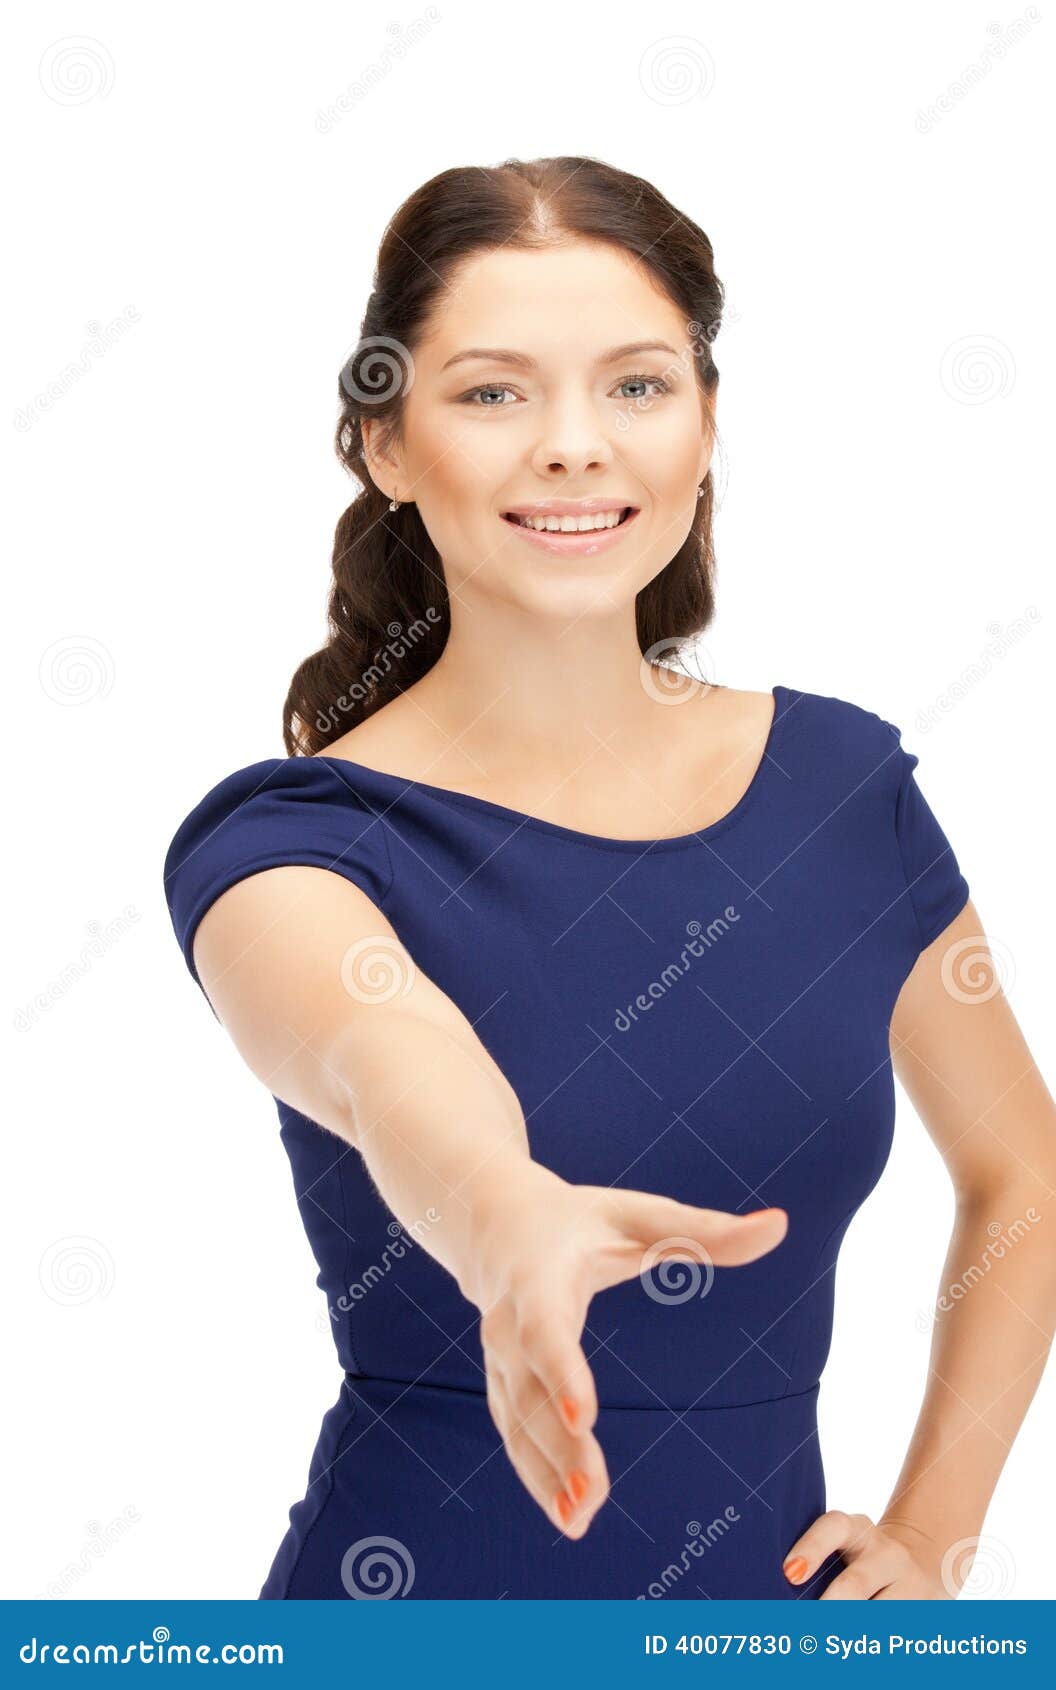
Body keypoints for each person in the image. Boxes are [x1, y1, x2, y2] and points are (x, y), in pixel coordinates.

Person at [163, 156, 1056, 1600]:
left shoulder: (845, 792)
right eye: (494, 391)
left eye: (637, 385)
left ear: (707, 422)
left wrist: (935, 1528)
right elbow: (389, 1057)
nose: (575, 445)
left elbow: (1026, 1167)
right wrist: (507, 1218)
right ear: (385, 441)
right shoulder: (285, 847)